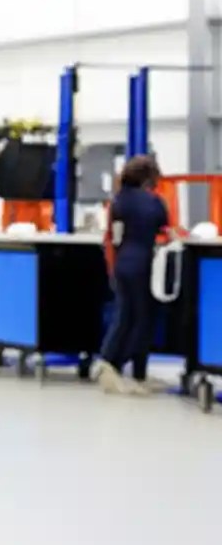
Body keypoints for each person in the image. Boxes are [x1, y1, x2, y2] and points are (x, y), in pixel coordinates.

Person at [95, 155, 172, 395]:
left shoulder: (118, 200)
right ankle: (114, 365)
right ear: (150, 178)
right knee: (143, 320)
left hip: (121, 264)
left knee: (123, 316)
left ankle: (125, 371)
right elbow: (166, 230)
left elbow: (113, 236)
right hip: (143, 265)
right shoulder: (154, 202)